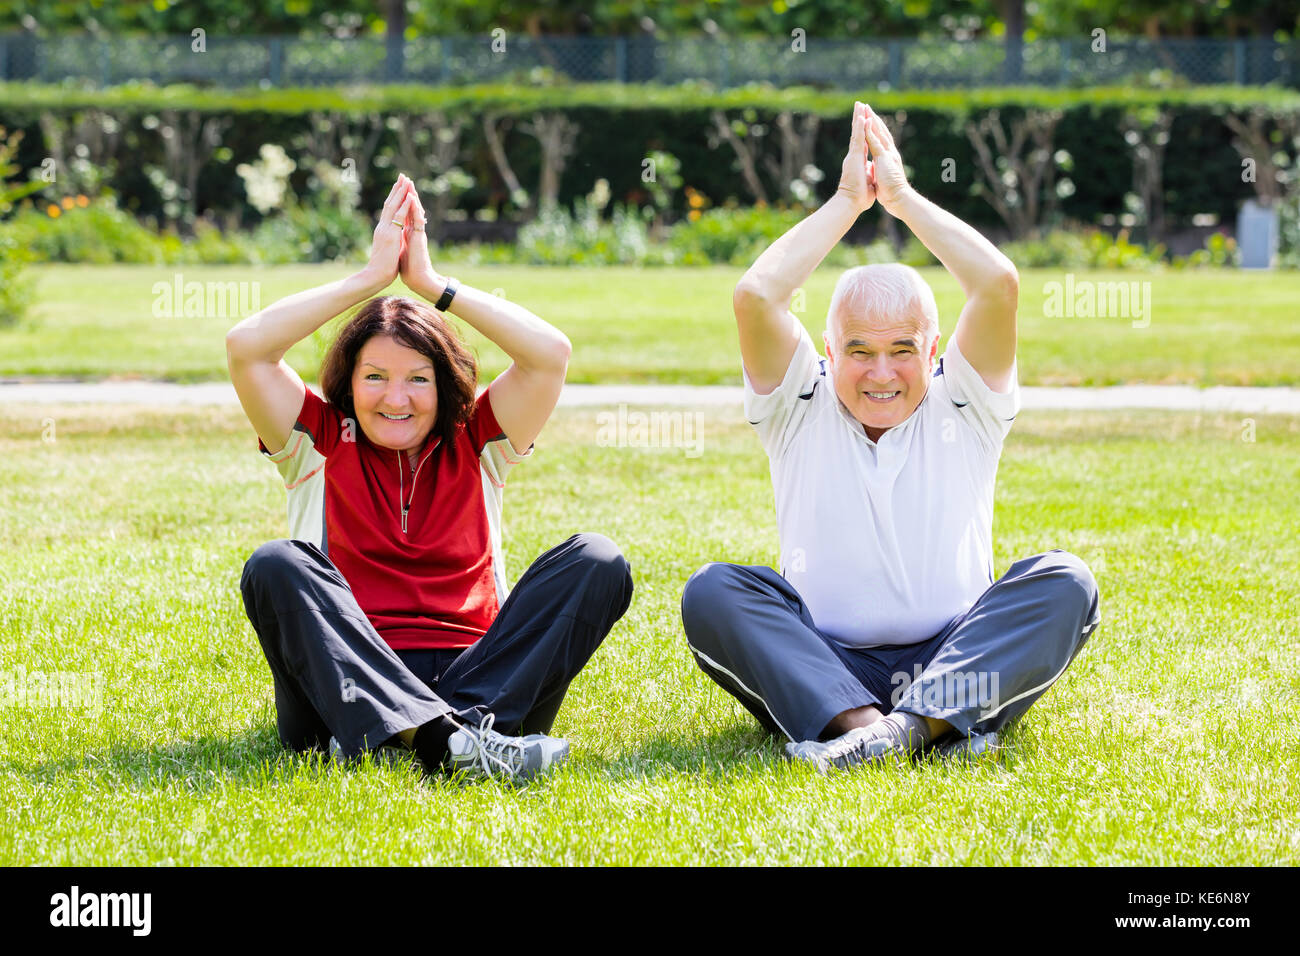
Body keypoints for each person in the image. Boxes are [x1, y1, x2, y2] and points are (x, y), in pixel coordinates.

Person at [680, 102, 1099, 770]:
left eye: (903, 349)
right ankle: (882, 726)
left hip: (954, 655)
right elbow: (757, 296)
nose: (882, 373)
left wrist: (900, 199)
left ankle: (891, 735)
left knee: (1065, 582)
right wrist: (849, 201)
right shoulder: (800, 401)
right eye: (860, 351)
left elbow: (996, 283)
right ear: (828, 350)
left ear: (935, 346)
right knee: (714, 592)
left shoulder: (965, 401)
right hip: (823, 663)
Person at [227, 174, 633, 783]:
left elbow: (549, 353)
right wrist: (369, 280)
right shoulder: (315, 440)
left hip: (482, 670)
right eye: (374, 377)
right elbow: (248, 348)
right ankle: (454, 741)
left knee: (597, 560)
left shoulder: (478, 440)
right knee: (277, 564)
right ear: (348, 381)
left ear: (444, 385)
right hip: (345, 681)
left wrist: (432, 286)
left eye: (418, 378)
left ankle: (427, 736)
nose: (396, 398)